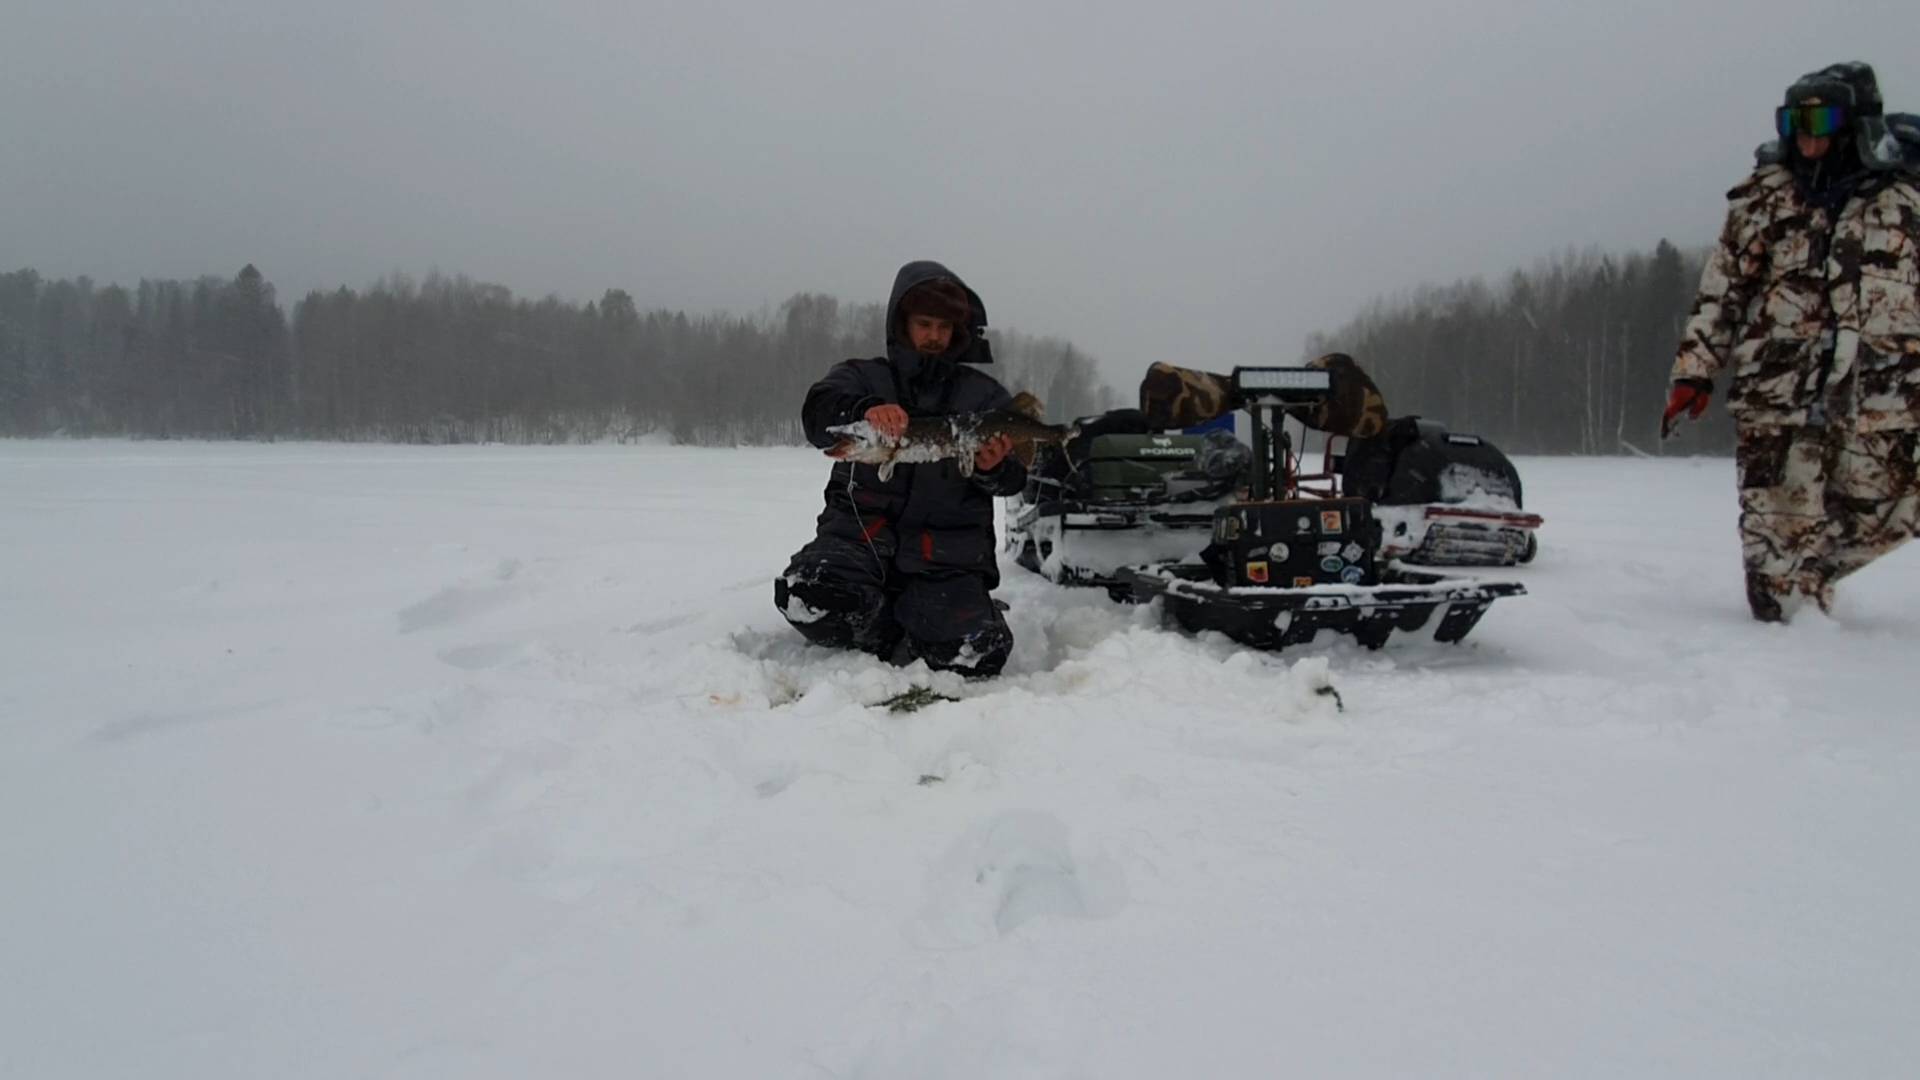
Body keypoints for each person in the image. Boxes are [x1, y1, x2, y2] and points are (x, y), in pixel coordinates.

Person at [1664, 61, 1920, 622]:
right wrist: (1695, 371)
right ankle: (1792, 625)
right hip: (1778, 395)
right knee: (1777, 585)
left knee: (1895, 508)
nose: (1806, 137)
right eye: (1793, 122)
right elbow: (1723, 290)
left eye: (1821, 121)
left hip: (1885, 395)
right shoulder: (1765, 195)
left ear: (1855, 124)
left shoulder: (1906, 198)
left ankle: (1813, 577)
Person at [774, 261, 1026, 675]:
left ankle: (928, 616)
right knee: (809, 600)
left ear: (956, 333)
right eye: (924, 323)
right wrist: (865, 410)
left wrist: (994, 467)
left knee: (978, 654)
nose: (933, 336)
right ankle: (892, 624)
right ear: (902, 324)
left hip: (946, 556)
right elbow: (818, 415)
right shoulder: (861, 376)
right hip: (860, 541)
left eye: (943, 327)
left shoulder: (985, 396)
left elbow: (1014, 478)